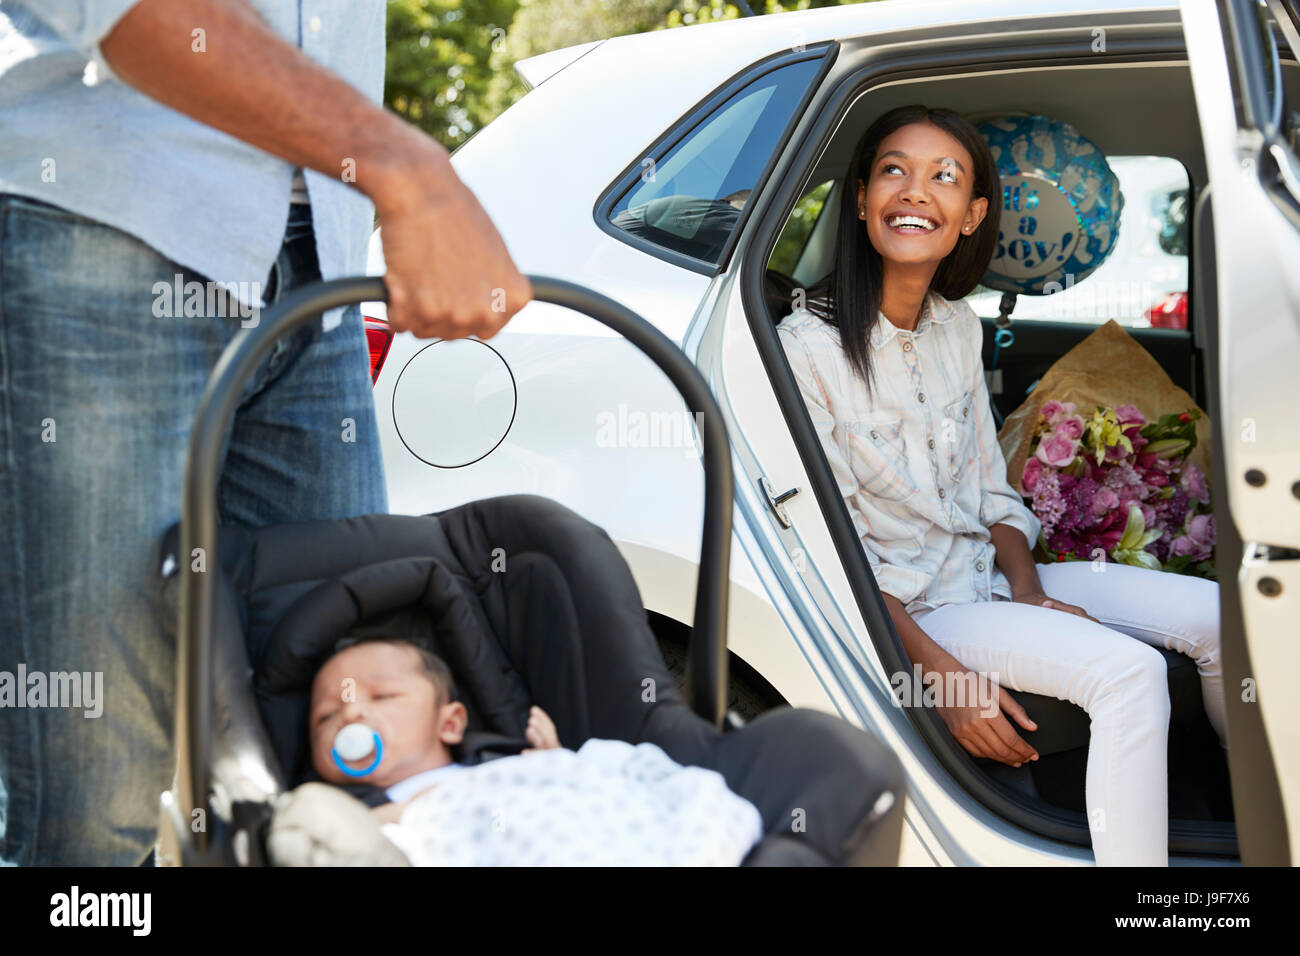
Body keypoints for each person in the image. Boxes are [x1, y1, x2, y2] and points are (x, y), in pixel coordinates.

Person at [0, 0, 532, 866]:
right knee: (100, 804)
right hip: (103, 224)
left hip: (315, 257)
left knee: (325, 743)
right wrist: (409, 167)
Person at [775, 104, 1227, 867]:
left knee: (1225, 620)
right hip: (914, 608)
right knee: (1130, 674)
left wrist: (1029, 590)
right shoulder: (804, 349)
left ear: (972, 214)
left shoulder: (957, 326)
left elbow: (992, 494)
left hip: (987, 578)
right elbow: (831, 550)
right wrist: (937, 676)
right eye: (894, 170)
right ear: (860, 197)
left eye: (943, 177)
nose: (916, 191)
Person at [295, 636, 763, 866]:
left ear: (451, 722)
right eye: (326, 716)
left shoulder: (503, 769)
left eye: (381, 697)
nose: (351, 716)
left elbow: (575, 791)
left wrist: (556, 762)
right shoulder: (360, 814)